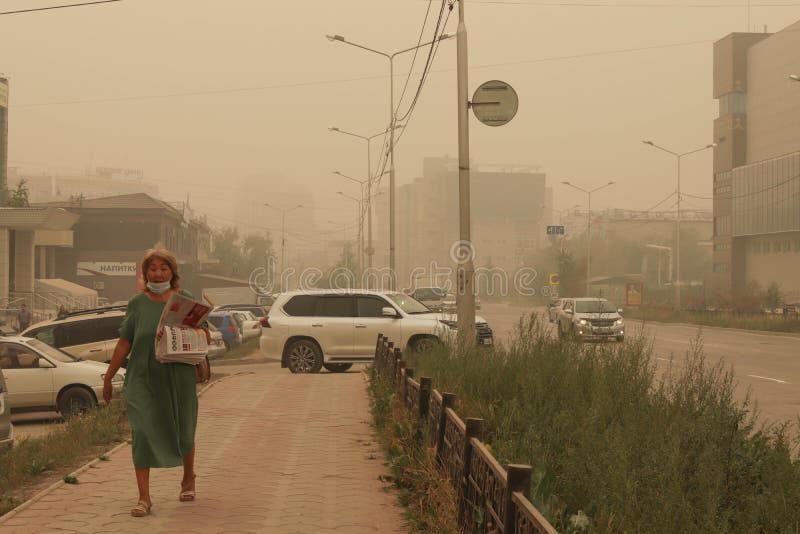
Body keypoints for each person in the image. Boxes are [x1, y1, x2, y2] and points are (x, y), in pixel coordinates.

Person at [103, 246, 211, 517]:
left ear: (173, 273)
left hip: (178, 376)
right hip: (143, 378)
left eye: (164, 268)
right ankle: (144, 498)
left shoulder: (184, 299)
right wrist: (108, 377)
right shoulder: (137, 303)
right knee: (142, 433)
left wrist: (196, 329)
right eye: (153, 268)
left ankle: (188, 478)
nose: (158, 273)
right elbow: (124, 342)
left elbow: (205, 335)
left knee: (184, 430)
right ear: (145, 272)